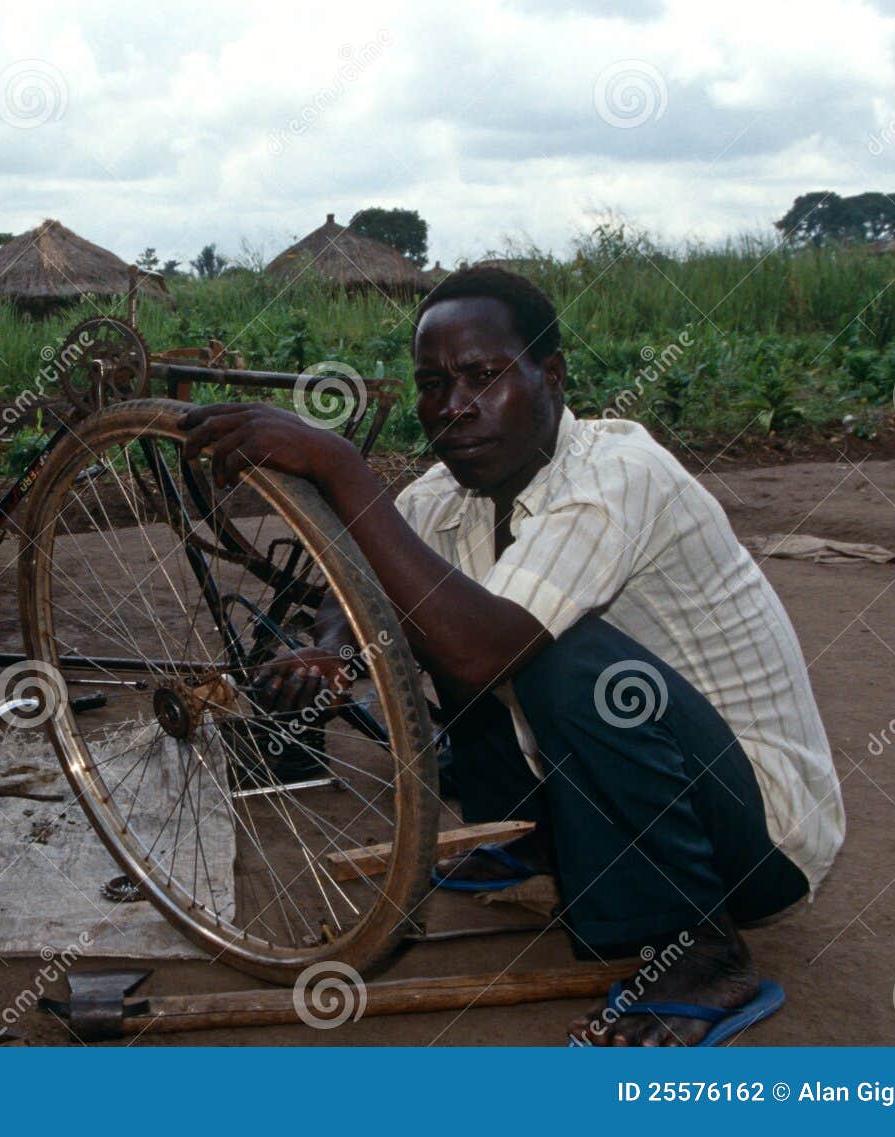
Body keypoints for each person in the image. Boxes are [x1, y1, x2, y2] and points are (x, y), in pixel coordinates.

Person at [180, 265, 844, 1046]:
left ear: (550, 378)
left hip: (758, 837)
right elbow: (369, 576)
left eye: (483, 376)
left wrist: (338, 464)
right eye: (433, 383)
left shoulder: (614, 477)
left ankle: (700, 948)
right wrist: (333, 650)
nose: (454, 406)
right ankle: (525, 836)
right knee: (442, 594)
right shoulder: (455, 488)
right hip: (634, 793)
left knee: (546, 654)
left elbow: (480, 649)